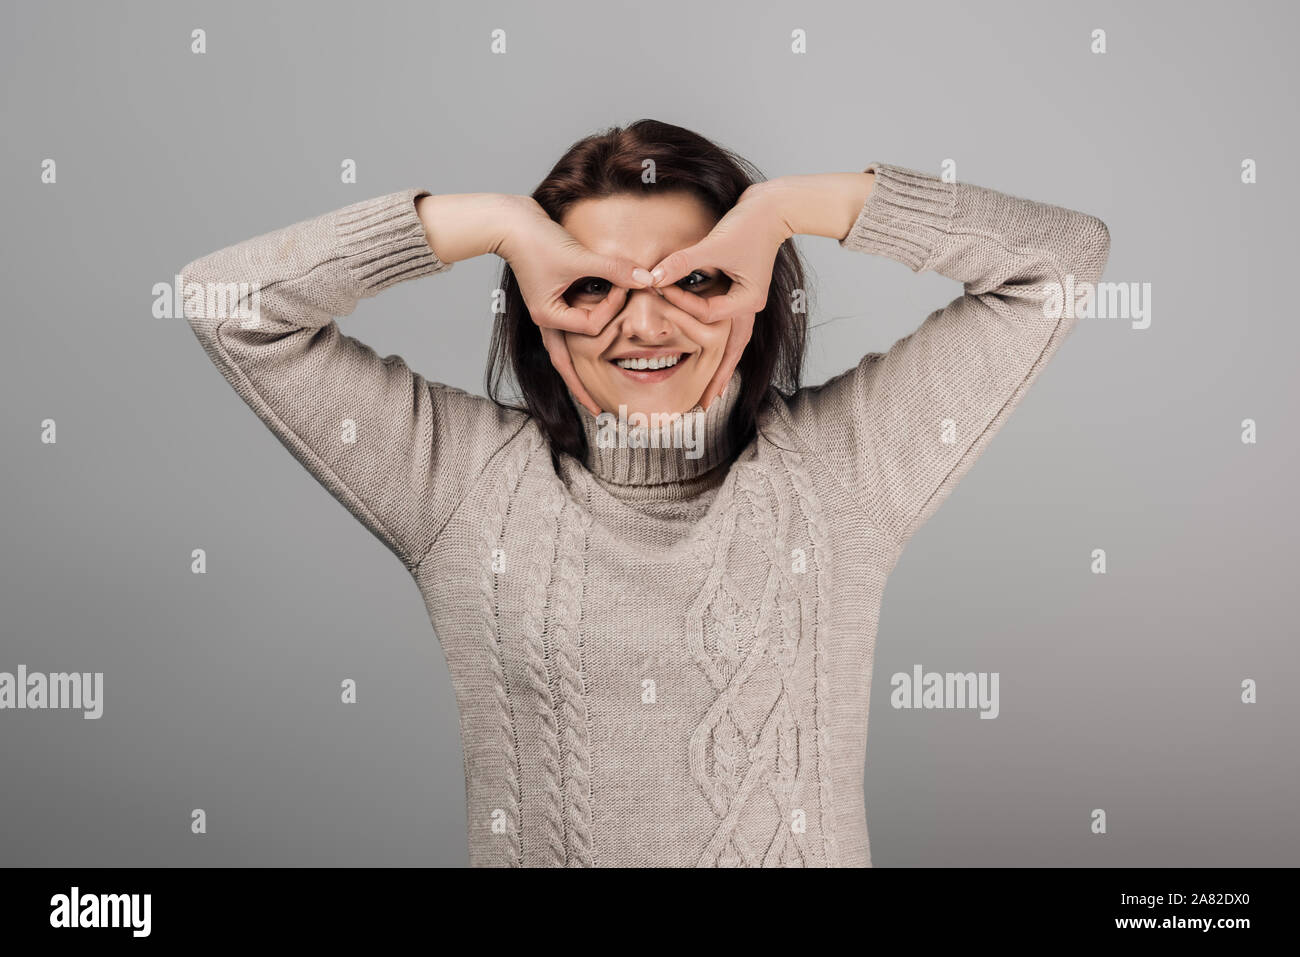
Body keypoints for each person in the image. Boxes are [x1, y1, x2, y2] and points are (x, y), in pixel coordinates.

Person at [180, 119, 1110, 867]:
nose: (647, 321)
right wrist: (494, 225)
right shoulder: (460, 484)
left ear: (754, 294)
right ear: (541, 307)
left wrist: (789, 206)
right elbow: (229, 300)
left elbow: (1061, 261)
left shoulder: (838, 470)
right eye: (591, 286)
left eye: (699, 278)